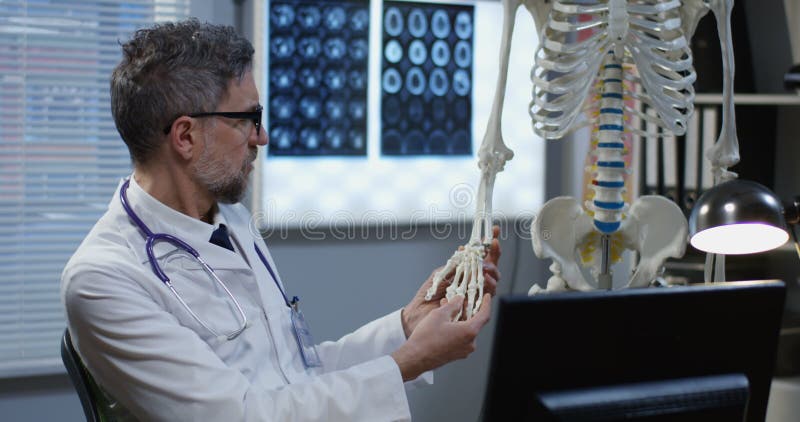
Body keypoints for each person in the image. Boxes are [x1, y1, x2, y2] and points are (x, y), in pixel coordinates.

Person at [61, 19, 501, 421]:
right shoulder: (104, 278)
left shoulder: (231, 221)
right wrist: (408, 362)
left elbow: (295, 375)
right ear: (186, 136)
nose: (263, 137)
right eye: (248, 120)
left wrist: (406, 327)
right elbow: (241, 416)